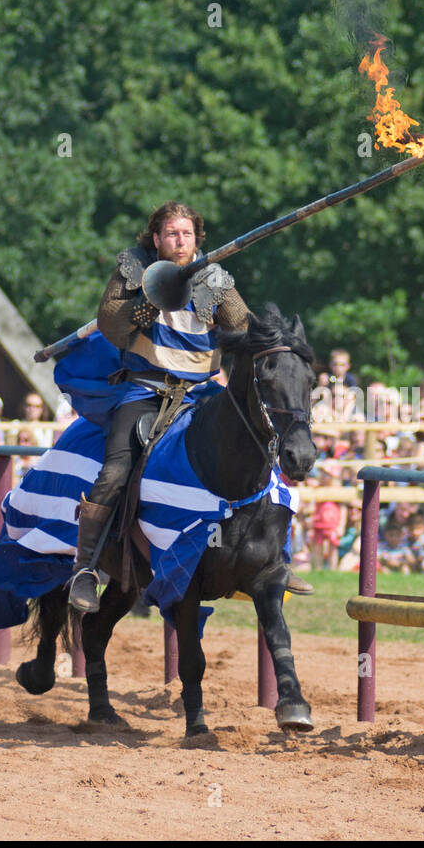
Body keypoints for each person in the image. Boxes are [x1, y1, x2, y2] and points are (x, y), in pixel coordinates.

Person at [70, 201, 311, 613]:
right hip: (145, 390)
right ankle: (86, 569)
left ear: (196, 238)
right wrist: (156, 296)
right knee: (114, 472)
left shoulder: (214, 277)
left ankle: (275, 559)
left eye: (186, 234)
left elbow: (243, 327)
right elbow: (111, 322)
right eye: (170, 234)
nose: (179, 242)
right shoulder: (133, 267)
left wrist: (264, 337)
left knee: (258, 448)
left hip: (201, 393)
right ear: (156, 238)